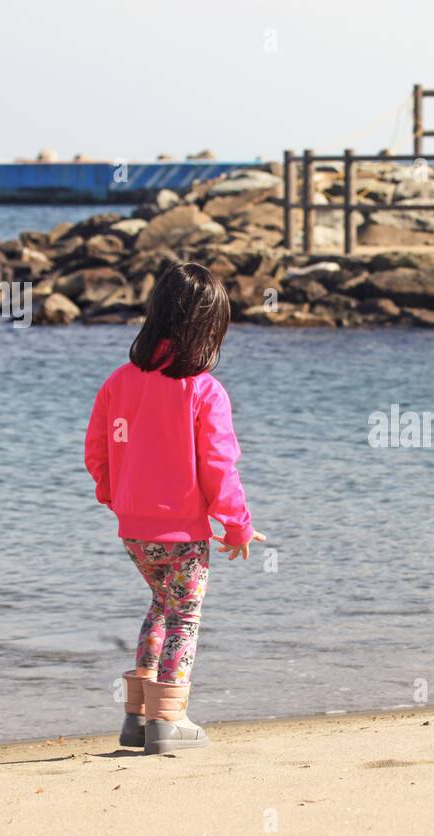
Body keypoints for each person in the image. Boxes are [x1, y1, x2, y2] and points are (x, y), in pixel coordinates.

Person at [84, 263, 263, 754]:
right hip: (182, 534)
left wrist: (115, 494)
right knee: (183, 616)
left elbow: (97, 448)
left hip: (134, 529)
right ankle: (168, 720)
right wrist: (237, 526)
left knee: (162, 608)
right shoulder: (204, 391)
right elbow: (219, 466)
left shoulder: (120, 382)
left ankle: (137, 716)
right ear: (206, 329)